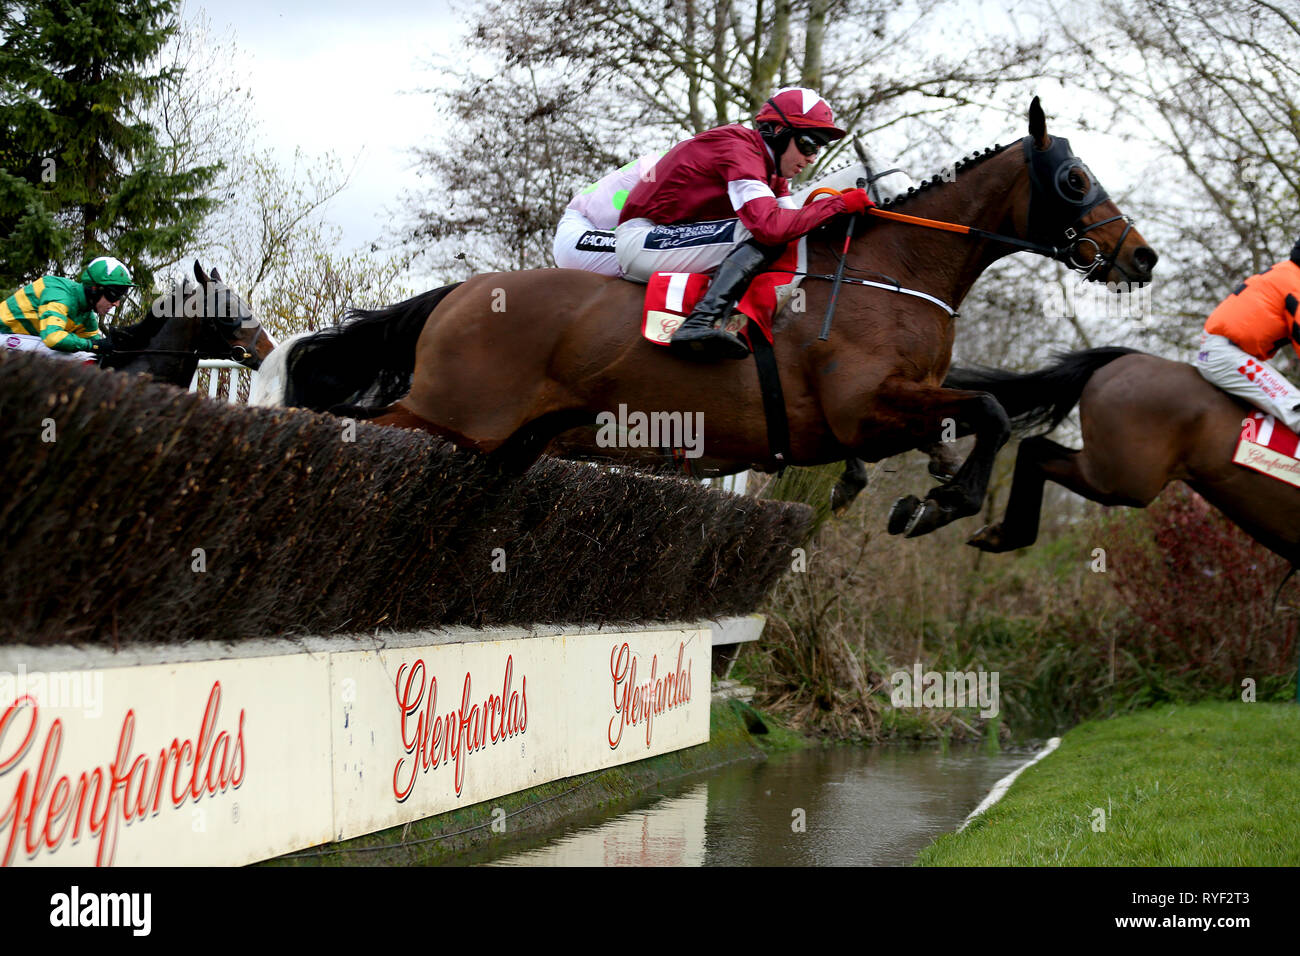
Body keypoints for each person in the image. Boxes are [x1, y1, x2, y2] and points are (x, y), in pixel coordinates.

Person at [616, 86, 874, 361]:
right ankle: (700, 321)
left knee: (787, 236)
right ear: (778, 131)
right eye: (808, 145)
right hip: (643, 238)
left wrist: (840, 215)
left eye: (818, 149)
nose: (811, 157)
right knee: (763, 232)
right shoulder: (739, 148)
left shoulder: (773, 174)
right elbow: (770, 228)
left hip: (668, 237)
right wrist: (837, 204)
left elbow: (795, 228)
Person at [1194, 238, 1300, 431]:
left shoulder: (1288, 272)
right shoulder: (1295, 283)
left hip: (1226, 351)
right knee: (1297, 411)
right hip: (1226, 355)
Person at [1, 256, 134, 360]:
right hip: (4, 335)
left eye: (120, 297)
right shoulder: (59, 294)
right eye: (114, 295)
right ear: (95, 289)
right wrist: (94, 345)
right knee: (64, 354)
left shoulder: (87, 316)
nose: (116, 303)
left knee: (88, 357)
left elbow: (98, 346)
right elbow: (53, 338)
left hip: (21, 342)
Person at [554, 153, 661, 277]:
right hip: (578, 231)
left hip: (581, 229)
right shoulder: (661, 164)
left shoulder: (668, 161)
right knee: (659, 254)